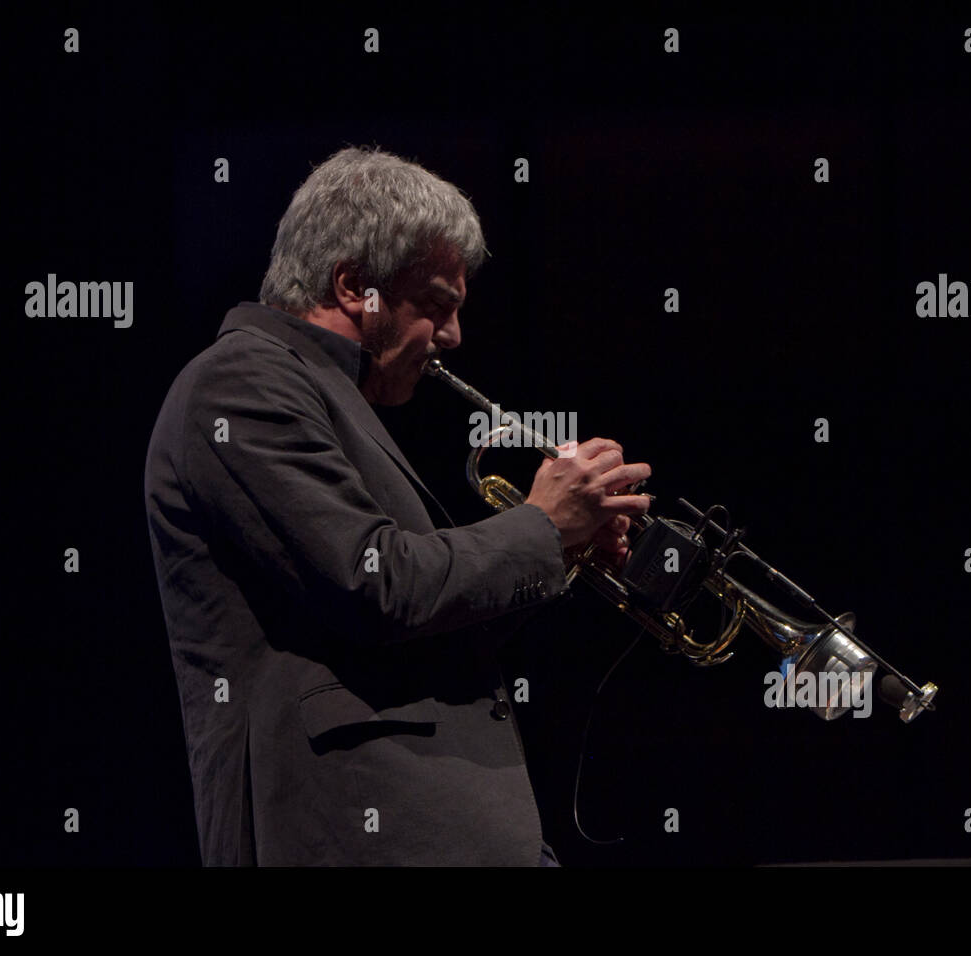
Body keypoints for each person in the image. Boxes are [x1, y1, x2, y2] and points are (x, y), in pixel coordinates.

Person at [144, 145, 650, 866]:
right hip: (354, 832)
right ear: (355, 286)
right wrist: (541, 524)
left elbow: (428, 633)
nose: (452, 338)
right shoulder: (241, 383)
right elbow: (375, 584)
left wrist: (563, 547)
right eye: (438, 306)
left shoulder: (325, 397)